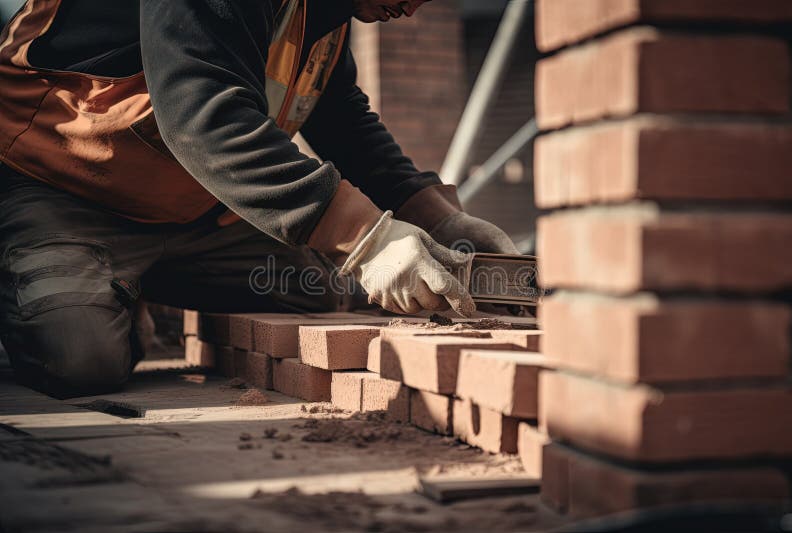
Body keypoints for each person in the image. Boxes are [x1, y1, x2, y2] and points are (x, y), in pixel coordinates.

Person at [0, 0, 520, 398]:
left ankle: (127, 284)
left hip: (195, 208)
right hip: (62, 187)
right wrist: (368, 240)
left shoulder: (322, 16)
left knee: (318, 289)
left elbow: (340, 118)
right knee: (79, 359)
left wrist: (436, 217)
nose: (416, 7)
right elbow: (202, 115)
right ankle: (76, 285)